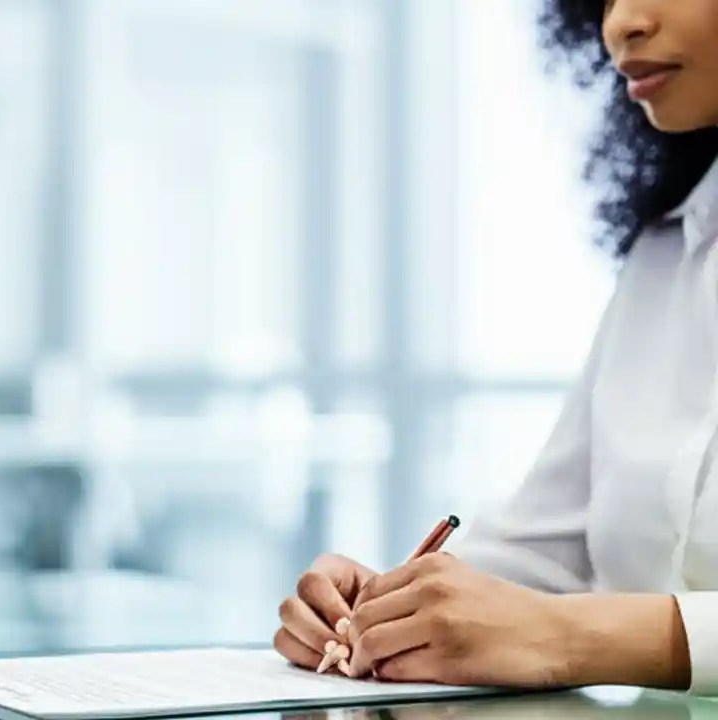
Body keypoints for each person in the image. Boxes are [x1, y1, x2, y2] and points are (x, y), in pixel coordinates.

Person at [274, 0, 718, 694]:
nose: (619, 23)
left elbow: (548, 623)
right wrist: (391, 609)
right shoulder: (667, 256)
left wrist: (572, 638)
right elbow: (546, 555)